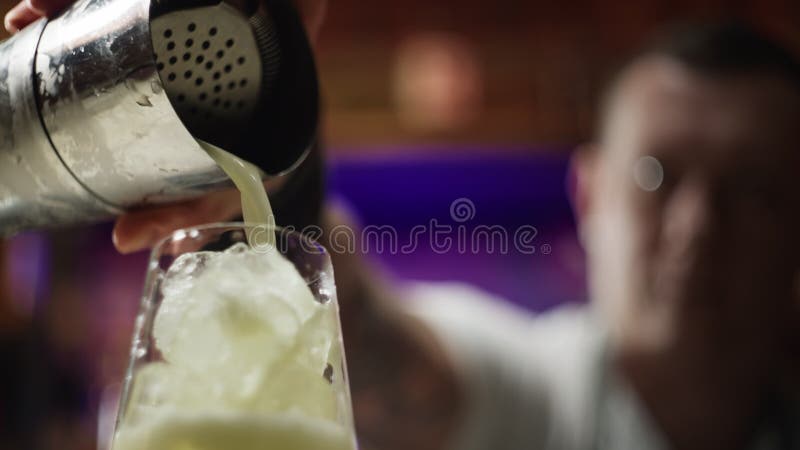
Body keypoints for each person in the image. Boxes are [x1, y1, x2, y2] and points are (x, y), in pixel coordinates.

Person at [5, 3, 800, 450]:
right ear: (589, 196)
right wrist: (283, 177)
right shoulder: (537, 390)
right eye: (658, 175)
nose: (700, 225)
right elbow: (369, 345)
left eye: (756, 189)